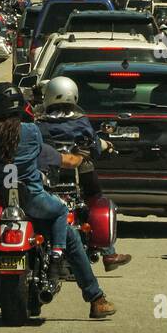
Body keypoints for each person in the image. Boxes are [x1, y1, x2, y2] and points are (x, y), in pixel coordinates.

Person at [0, 83, 115, 320]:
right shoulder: (31, 132)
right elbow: (43, 155)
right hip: (33, 202)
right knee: (63, 218)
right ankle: (92, 295)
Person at [36, 77, 131, 271]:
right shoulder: (79, 121)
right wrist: (105, 147)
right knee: (95, 199)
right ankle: (108, 253)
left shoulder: (39, 122)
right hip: (78, 170)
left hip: (47, 173)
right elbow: (94, 145)